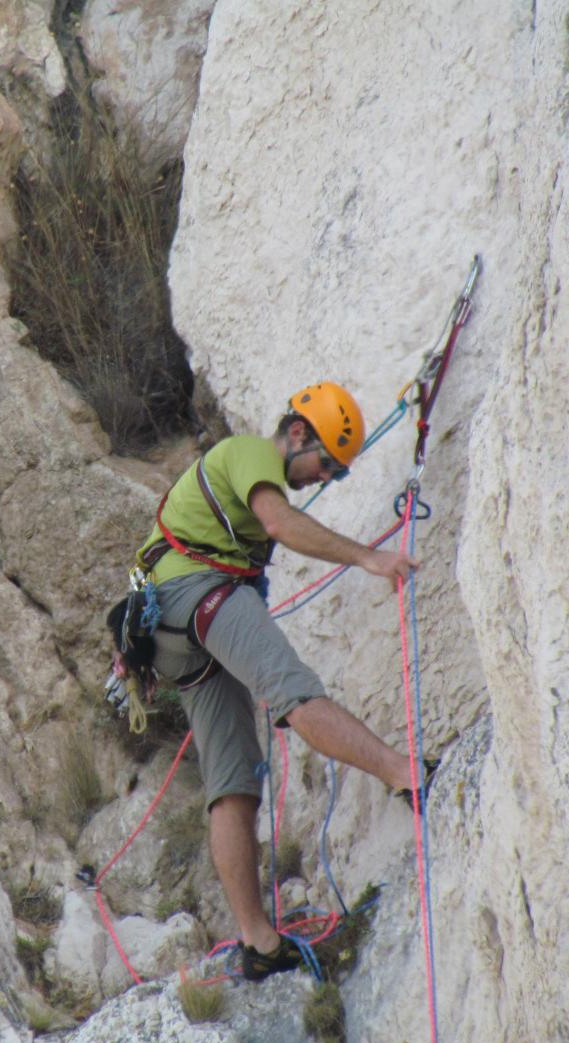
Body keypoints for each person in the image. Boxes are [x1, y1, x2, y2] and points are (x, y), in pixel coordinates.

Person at [133, 382, 433, 981]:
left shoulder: (251, 471)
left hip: (167, 625)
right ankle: (406, 774)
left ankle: (259, 943)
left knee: (233, 778)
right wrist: (369, 558)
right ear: (298, 433)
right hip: (197, 593)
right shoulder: (251, 453)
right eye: (326, 464)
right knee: (292, 690)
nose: (323, 478)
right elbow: (280, 522)